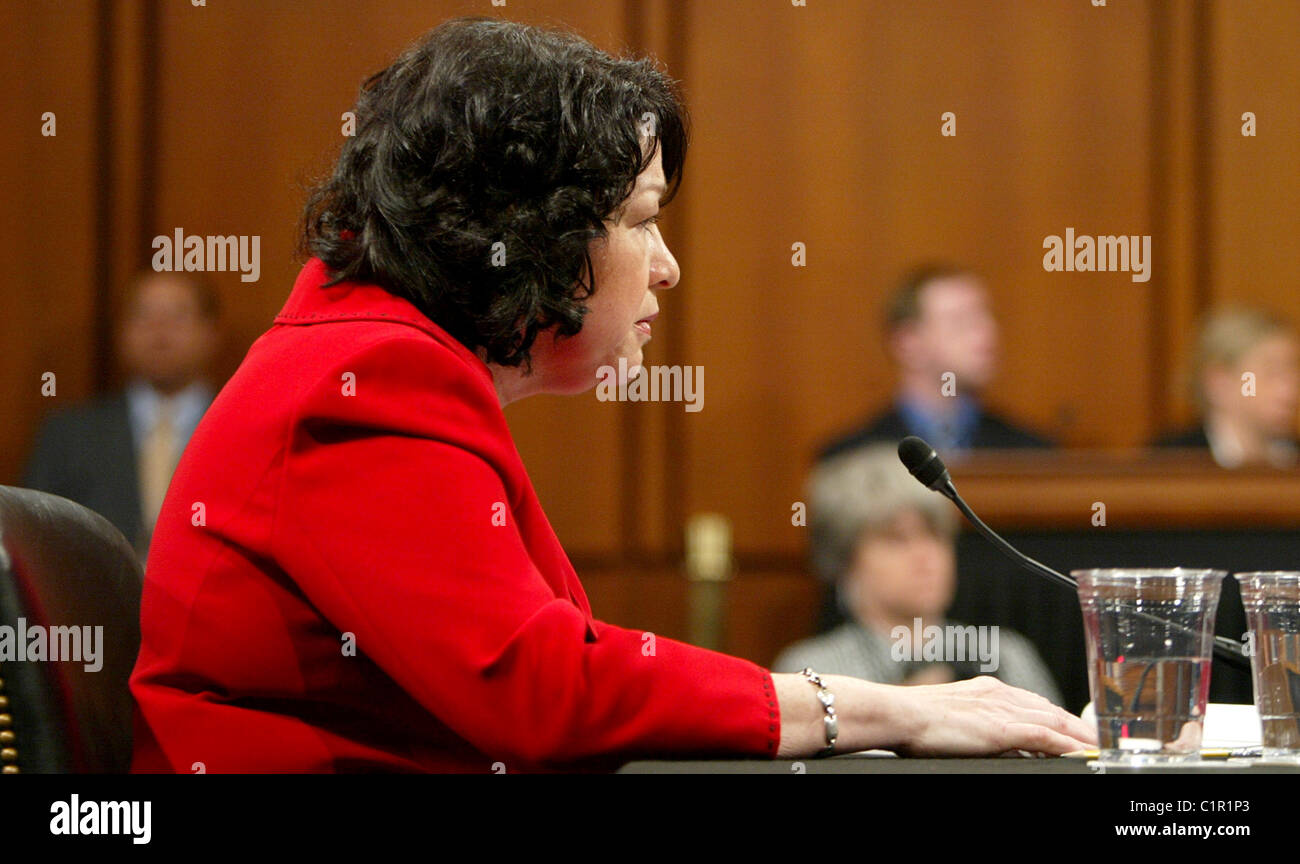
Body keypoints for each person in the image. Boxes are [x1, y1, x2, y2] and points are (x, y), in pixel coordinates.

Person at [129, 17, 1094, 773]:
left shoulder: (372, 355)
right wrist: (886, 707)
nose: (667, 269)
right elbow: (544, 691)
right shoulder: (369, 378)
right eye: (642, 221)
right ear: (534, 230)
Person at [774, 444, 1063, 704]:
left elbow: (1061, 756)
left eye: (935, 536)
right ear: (845, 558)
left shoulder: (1006, 656)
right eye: (897, 539)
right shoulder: (809, 670)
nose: (926, 558)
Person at [23, 271, 219, 557]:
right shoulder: (67, 434)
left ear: (211, 331)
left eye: (178, 315)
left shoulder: (246, 433)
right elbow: (32, 541)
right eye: (143, 315)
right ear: (120, 332)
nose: (159, 330)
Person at [819, 264, 1051, 461]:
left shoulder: (1032, 455)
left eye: (986, 318)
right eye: (961, 321)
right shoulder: (850, 458)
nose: (987, 334)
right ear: (908, 343)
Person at [1152, 307, 1299, 468]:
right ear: (1219, 382)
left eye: (1293, 374)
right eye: (1272, 373)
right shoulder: (1167, 459)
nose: (1289, 391)